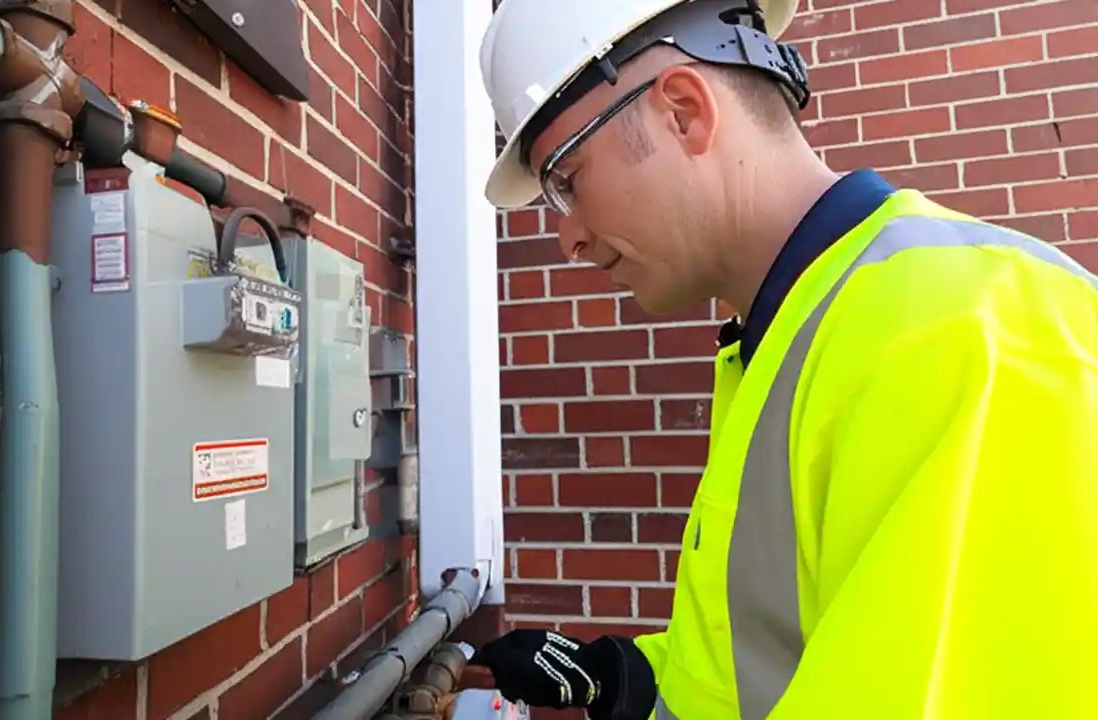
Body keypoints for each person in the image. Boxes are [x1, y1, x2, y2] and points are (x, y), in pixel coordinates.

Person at [469, 1, 1098, 718]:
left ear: (683, 111)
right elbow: (777, 658)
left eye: (567, 179)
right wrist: (623, 679)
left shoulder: (960, 326)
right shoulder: (793, 337)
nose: (569, 239)